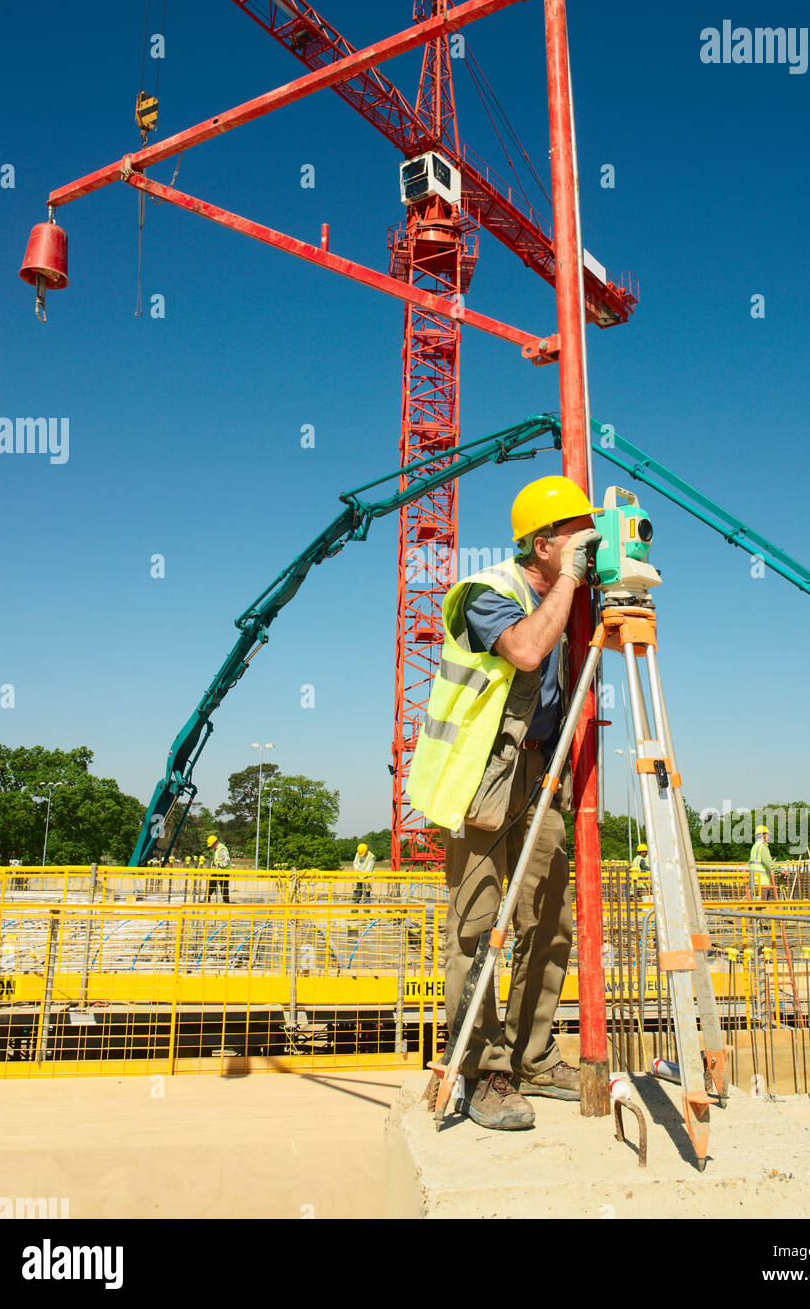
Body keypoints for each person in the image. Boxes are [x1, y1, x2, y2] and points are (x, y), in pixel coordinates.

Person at [407, 474, 602, 1132]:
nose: (589, 546)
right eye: (579, 534)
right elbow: (522, 651)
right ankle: (483, 1071)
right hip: (482, 777)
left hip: (543, 772)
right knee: (477, 925)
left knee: (550, 919)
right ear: (544, 543)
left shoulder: (572, 599)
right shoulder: (488, 592)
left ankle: (532, 1054)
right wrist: (573, 584)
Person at [748, 824, 783, 901]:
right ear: (763, 835)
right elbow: (769, 863)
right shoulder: (762, 847)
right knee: (763, 909)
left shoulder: (754, 847)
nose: (769, 837)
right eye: (767, 835)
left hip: (754, 882)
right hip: (762, 883)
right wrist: (781, 871)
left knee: (755, 909)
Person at [207, 833, 231, 903]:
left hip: (223, 870)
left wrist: (220, 867)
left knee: (223, 886)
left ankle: (226, 901)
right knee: (212, 883)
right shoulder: (217, 849)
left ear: (214, 843)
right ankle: (207, 898)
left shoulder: (222, 849)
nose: (211, 847)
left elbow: (226, 860)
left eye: (211, 846)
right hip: (218, 870)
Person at [352, 841, 375, 906]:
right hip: (358, 877)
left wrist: (361, 876)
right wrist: (358, 874)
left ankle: (366, 914)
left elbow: (368, 870)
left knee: (366, 897)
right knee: (356, 896)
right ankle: (354, 913)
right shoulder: (358, 854)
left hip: (367, 878)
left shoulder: (371, 857)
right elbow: (355, 864)